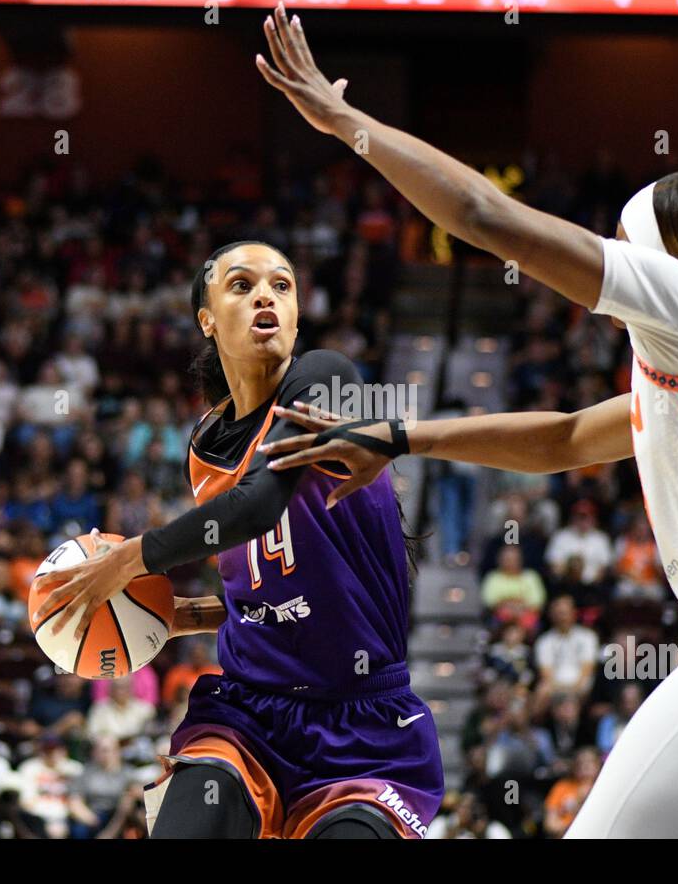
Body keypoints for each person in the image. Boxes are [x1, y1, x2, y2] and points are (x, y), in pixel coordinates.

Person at [256, 4, 678, 838]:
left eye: (621, 242)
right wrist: (401, 438)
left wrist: (346, 123)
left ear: (660, 255)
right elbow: (567, 437)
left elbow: (486, 217)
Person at [35, 240, 443, 839]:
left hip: (365, 727)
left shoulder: (327, 379)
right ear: (207, 319)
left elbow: (257, 506)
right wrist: (183, 614)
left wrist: (127, 560)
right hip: (249, 714)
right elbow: (272, 592)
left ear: (297, 316)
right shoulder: (205, 445)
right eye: (242, 285)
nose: (265, 297)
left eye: (282, 285)